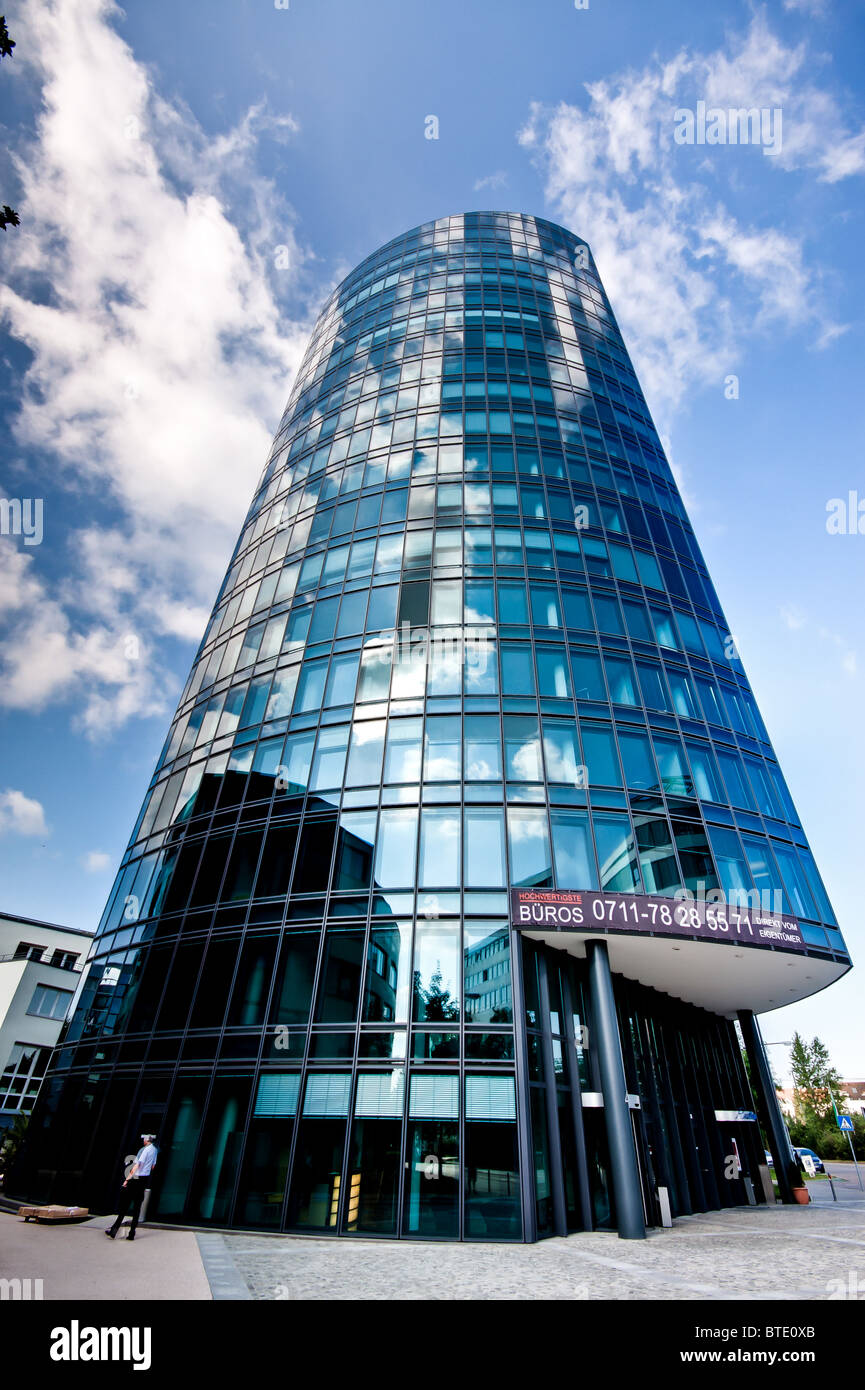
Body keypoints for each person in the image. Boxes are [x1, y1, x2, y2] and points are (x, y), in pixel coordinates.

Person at [105, 1134, 158, 1241]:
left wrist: (127, 1179)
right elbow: (153, 1166)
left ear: (147, 1140)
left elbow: (137, 1165)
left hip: (136, 1178)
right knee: (137, 1207)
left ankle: (114, 1230)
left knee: (125, 1205)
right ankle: (132, 1233)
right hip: (144, 1179)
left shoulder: (144, 1150)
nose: (143, 1141)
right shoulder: (155, 1150)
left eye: (144, 1139)